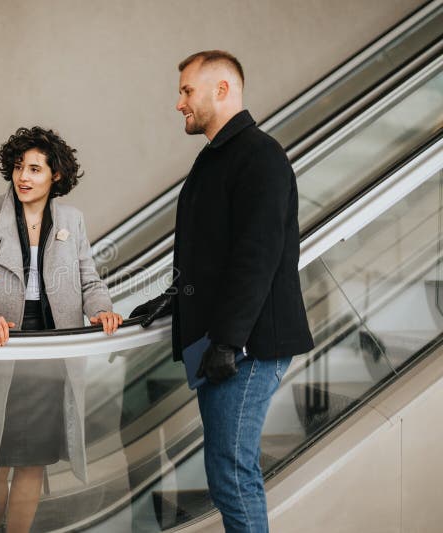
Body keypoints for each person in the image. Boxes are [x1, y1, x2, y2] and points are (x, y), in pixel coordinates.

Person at [132, 51, 314, 532]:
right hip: (226, 342)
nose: (178, 103)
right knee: (227, 473)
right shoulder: (217, 158)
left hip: (247, 346)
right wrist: (173, 297)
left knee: (232, 475)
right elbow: (211, 254)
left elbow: (257, 256)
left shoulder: (260, 155)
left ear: (222, 90)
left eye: (187, 91)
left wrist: (229, 341)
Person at [0, 126, 123, 533]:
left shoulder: (72, 220)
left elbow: (89, 281)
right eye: (17, 168)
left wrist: (101, 310)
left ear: (55, 175)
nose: (23, 177)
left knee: (33, 459)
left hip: (49, 352)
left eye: (34, 169)